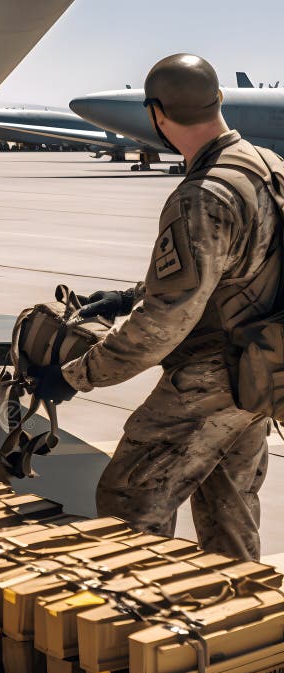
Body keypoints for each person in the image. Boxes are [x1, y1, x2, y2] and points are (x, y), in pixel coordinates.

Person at [30, 54, 282, 561]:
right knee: (228, 511)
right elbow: (231, 268)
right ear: (219, 100)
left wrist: (77, 376)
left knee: (129, 501)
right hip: (262, 371)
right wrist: (128, 296)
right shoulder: (267, 166)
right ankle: (239, 623)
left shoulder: (203, 194)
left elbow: (163, 326)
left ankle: (140, 629)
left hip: (211, 377)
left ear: (155, 114)